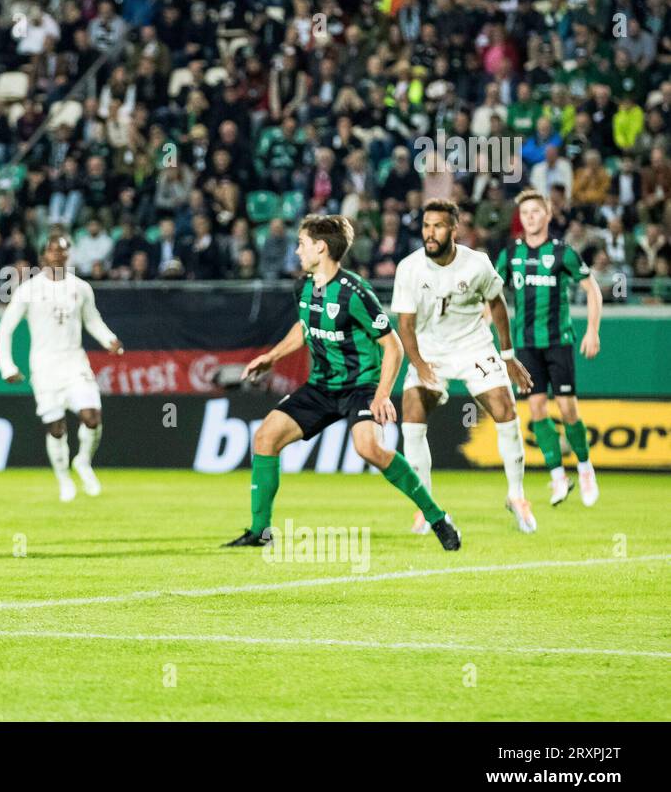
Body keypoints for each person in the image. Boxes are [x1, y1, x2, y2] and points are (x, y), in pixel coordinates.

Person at [223, 215, 462, 551]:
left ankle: (437, 517)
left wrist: (381, 396)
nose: (297, 250)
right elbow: (306, 327)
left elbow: (392, 346)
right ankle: (260, 531)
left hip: (360, 386)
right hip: (321, 386)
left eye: (302, 244)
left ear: (321, 248)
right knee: (265, 438)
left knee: (369, 449)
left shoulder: (355, 294)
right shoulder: (303, 286)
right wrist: (272, 356)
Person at [391, 199, 538, 535]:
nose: (430, 233)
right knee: (412, 412)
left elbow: (497, 305)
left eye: (438, 226)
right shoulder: (409, 268)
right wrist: (418, 365)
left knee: (505, 408)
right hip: (430, 351)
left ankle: (517, 496)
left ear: (454, 230)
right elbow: (406, 326)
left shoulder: (477, 264)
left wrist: (508, 355)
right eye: (426, 226)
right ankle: (425, 505)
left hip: (473, 346)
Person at [0, 233, 124, 501]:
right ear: (43, 255)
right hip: (44, 367)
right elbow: (5, 330)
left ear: (69, 255)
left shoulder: (81, 288)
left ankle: (83, 462)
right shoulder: (29, 289)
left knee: (92, 416)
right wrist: (7, 366)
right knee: (56, 427)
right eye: (53, 250)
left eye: (63, 251)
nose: (58, 255)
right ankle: (64, 478)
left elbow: (93, 321)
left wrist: (109, 339)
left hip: (75, 362)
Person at [495, 189, 603, 507]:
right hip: (525, 346)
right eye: (524, 213)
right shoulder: (511, 254)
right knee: (537, 409)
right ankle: (558, 477)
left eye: (535, 211)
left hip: (559, 341)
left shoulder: (562, 252)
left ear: (548, 214)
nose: (529, 217)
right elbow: (492, 292)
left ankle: (585, 469)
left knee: (568, 409)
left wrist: (593, 331)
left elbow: (592, 288)